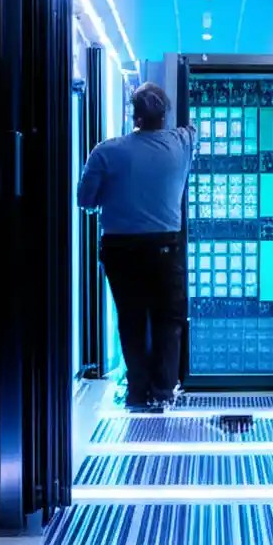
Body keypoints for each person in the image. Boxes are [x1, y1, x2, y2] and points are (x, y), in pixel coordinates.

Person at [78, 82, 196, 411]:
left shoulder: (106, 151)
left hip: (120, 248)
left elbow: (85, 200)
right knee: (168, 320)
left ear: (134, 114)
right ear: (165, 113)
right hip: (165, 247)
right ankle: (162, 393)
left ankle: (136, 393)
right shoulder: (182, 143)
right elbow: (193, 129)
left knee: (131, 318)